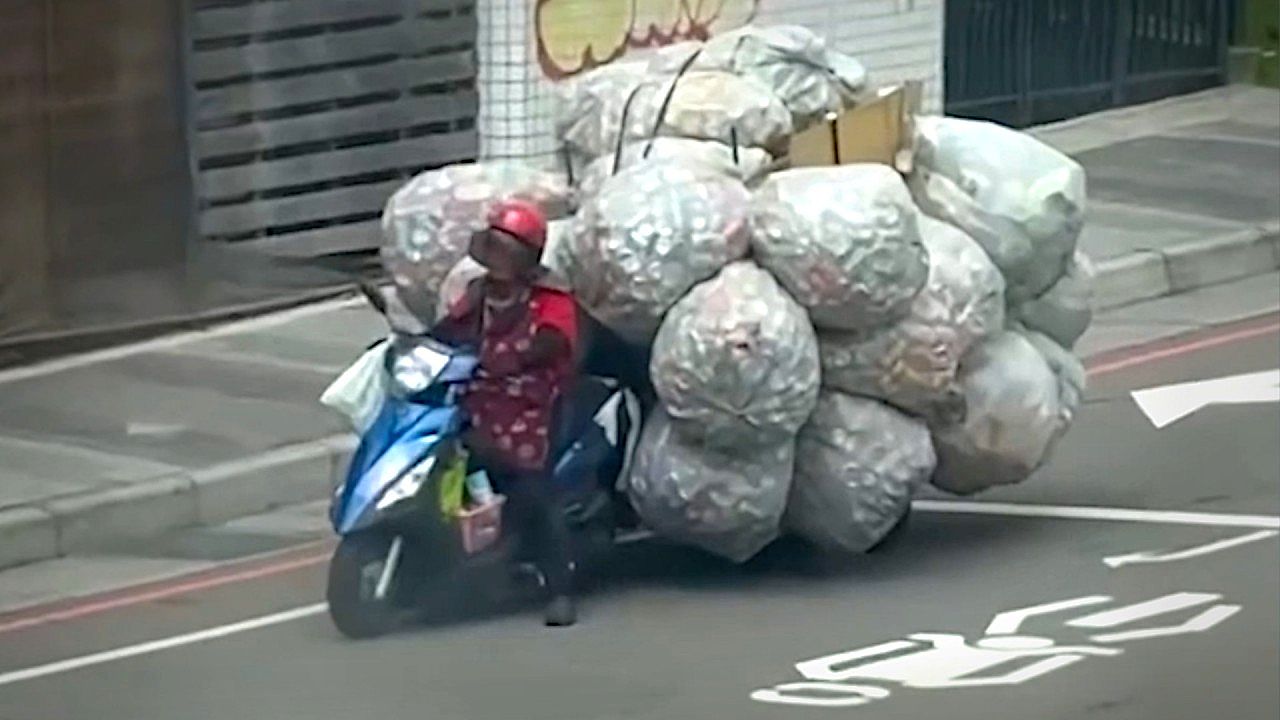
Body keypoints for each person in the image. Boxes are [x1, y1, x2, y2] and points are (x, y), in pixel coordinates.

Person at [432, 198, 581, 627]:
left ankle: (559, 588)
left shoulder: (550, 297)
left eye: (507, 253)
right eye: (492, 249)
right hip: (478, 394)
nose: (497, 261)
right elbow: (449, 329)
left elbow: (557, 338)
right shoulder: (479, 294)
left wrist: (521, 356)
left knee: (530, 484)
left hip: (530, 401)